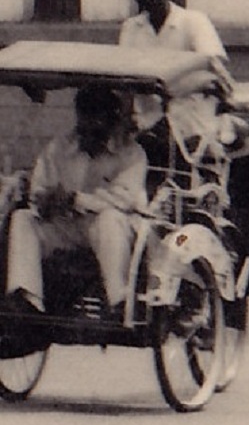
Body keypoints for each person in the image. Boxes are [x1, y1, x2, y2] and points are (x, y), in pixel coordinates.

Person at [5, 85, 148, 321]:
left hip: (112, 229)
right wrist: (44, 200)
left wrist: (76, 199)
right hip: (67, 227)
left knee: (109, 219)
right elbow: (40, 187)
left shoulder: (132, 154)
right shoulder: (59, 148)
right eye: (86, 116)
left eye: (98, 117)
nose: (91, 125)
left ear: (112, 119)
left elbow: (122, 199)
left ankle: (118, 301)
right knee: (23, 219)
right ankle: (27, 297)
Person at [118, 0, 230, 130]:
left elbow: (213, 74)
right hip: (147, 127)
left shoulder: (194, 21)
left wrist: (171, 87)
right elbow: (125, 84)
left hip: (193, 128)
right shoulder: (131, 28)